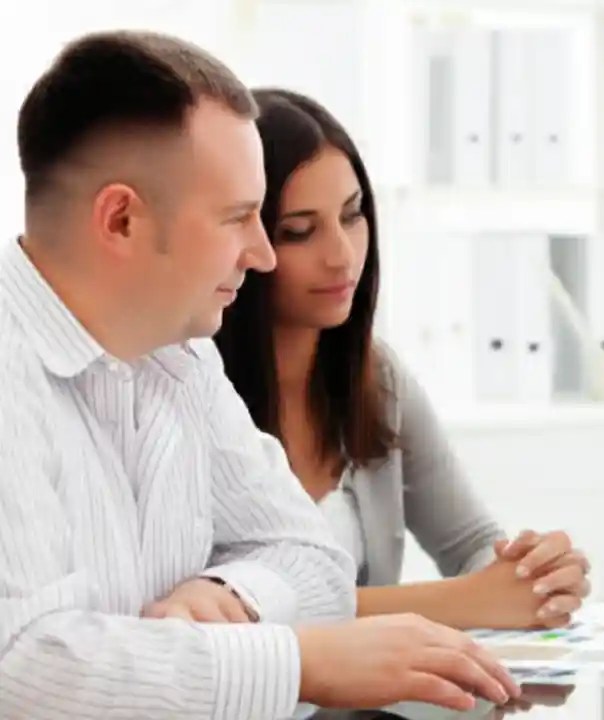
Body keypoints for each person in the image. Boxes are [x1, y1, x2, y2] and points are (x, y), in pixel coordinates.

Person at [0, 30, 518, 717]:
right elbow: (23, 666)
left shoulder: (180, 357)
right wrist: (302, 663)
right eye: (239, 218)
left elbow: (311, 554)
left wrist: (232, 596)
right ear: (121, 219)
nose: (262, 255)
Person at [213, 88, 592, 630]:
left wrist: (534, 577)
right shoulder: (189, 392)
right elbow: (237, 617)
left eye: (352, 216)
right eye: (298, 232)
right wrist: (469, 600)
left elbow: (471, 544)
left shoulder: (377, 377)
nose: (341, 255)